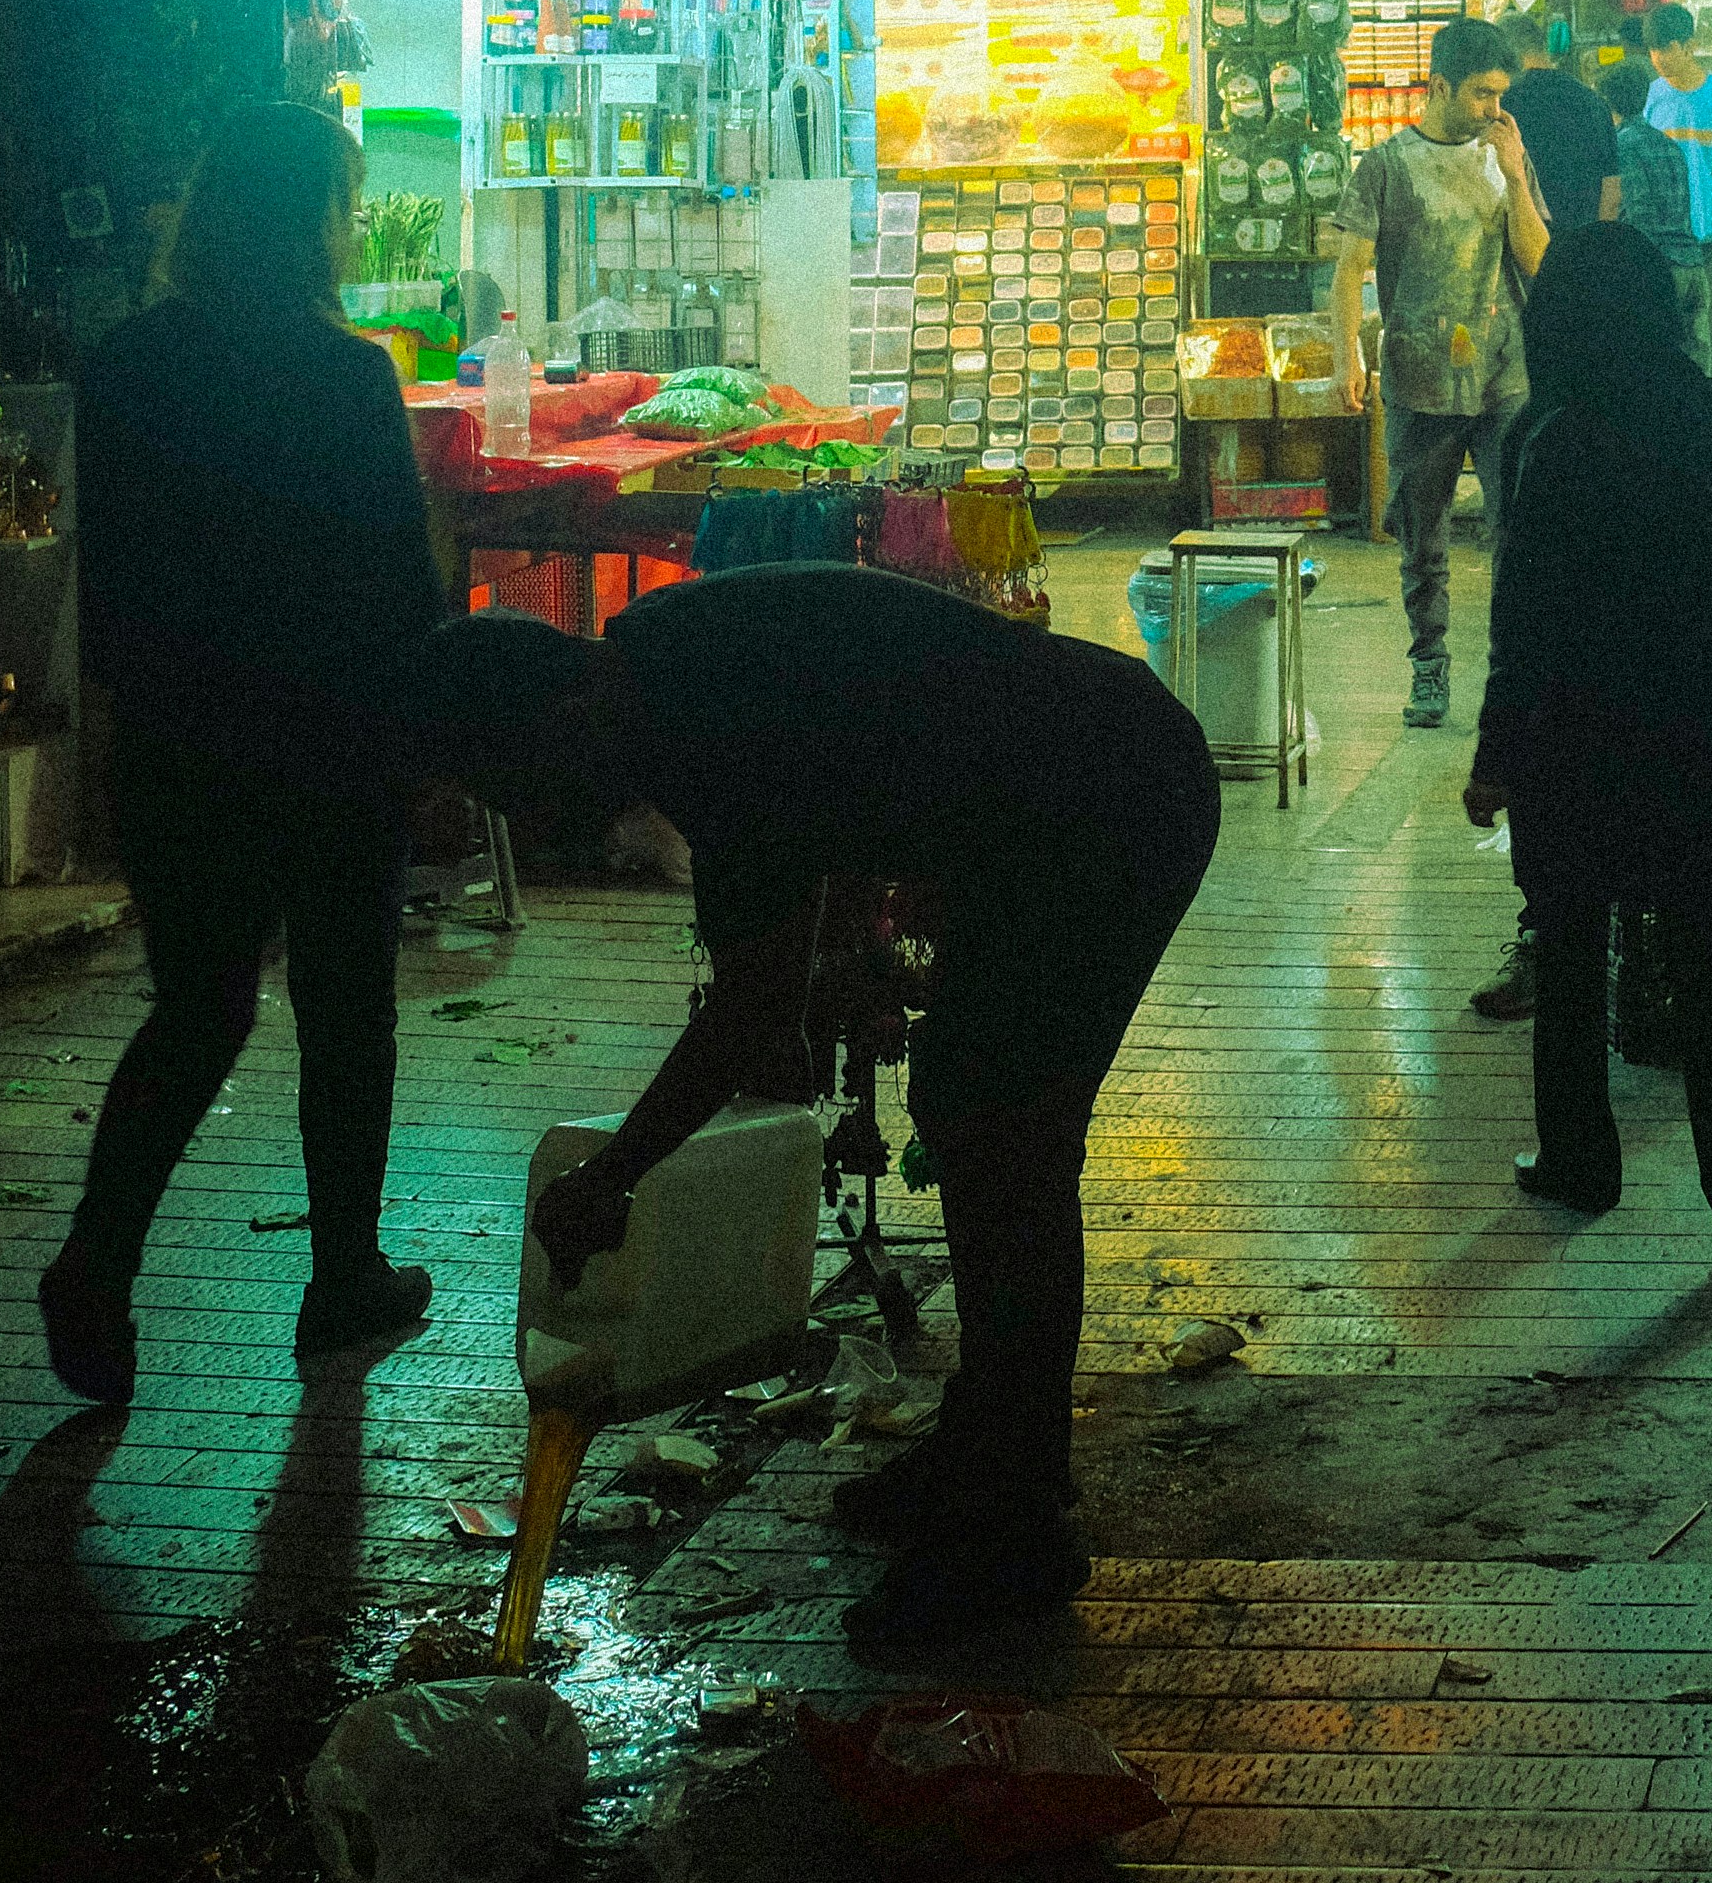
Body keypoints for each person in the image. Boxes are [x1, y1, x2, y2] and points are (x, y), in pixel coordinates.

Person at [412, 567, 1219, 1659]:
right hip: (1067, 785)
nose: (537, 821)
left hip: (1107, 801)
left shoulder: (705, 726)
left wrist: (616, 1174)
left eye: (518, 788)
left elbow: (753, 1004)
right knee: (973, 1110)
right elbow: (849, 777)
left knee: (1005, 1138)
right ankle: (988, 1451)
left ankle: (1016, 1527)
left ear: (564, 719)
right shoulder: (668, 661)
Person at [41, 104, 445, 1405]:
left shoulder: (130, 366)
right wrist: (422, 732)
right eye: (342, 200)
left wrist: (121, 724)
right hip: (330, 738)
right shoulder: (344, 377)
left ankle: (96, 1265)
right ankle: (341, 1278)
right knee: (346, 1014)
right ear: (309, 219)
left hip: (182, 740)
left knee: (197, 1012)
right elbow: (397, 590)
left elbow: (103, 588)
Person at [1462, 224, 1712, 1278]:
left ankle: (1579, 1161)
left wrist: (1494, 754)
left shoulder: (1548, 436)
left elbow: (1520, 622)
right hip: (1699, 736)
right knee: (1709, 966)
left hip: (1573, 741)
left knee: (1568, 958)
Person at [1330, 15, 1550, 735]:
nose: (1495, 108)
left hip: (1502, 376)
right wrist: (1346, 356)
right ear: (1441, 86)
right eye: (1483, 94)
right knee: (1423, 542)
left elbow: (1539, 262)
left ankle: (1515, 675)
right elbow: (1350, 271)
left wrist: (1515, 176)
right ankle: (1430, 669)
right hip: (1419, 379)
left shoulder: (1507, 155)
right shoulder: (1387, 165)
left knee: (1517, 534)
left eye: (1500, 94)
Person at [1644, 3, 1712, 340]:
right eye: (1653, 49)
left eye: (1666, 48)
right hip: (1667, 236)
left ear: (1689, 45)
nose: (1658, 58)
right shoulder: (1653, 95)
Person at [1599, 60, 1708, 363]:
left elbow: (1635, 216)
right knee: (1695, 371)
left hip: (1658, 271)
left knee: (1653, 369)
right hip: (1692, 266)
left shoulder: (1621, 146)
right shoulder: (1668, 145)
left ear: (1607, 102)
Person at [1500, 17, 1621, 230]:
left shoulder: (1503, 106)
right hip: (1580, 244)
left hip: (1525, 242)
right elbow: (1611, 191)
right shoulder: (1592, 101)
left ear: (1509, 56)